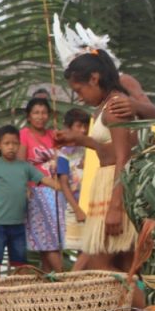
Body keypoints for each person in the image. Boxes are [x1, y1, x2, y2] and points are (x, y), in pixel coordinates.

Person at [51, 20, 140, 272]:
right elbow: (106, 152)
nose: (78, 96)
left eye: (79, 89)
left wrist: (116, 206)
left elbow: (124, 158)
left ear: (94, 77)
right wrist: (81, 140)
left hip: (115, 191)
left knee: (102, 266)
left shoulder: (115, 106)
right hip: (107, 187)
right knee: (122, 267)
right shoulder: (103, 107)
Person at [0, 126, 60, 280]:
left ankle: (19, 287)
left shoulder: (25, 167)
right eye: (7, 143)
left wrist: (61, 186)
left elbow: (43, 179)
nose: (11, 147)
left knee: (19, 260)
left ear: (19, 145)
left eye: (14, 143)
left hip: (19, 223)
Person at [18, 97, 69, 273]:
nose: (40, 117)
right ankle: (62, 276)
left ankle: (49, 280)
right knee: (47, 240)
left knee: (54, 238)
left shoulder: (52, 135)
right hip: (36, 191)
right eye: (36, 113)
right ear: (29, 116)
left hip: (56, 191)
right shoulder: (24, 134)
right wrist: (25, 188)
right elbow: (21, 163)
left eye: (44, 113)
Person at [56, 108, 90, 252]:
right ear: (69, 128)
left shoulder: (90, 149)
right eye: (78, 126)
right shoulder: (63, 154)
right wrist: (77, 210)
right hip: (74, 206)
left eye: (85, 126)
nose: (83, 130)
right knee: (80, 247)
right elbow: (64, 185)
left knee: (91, 246)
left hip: (92, 204)